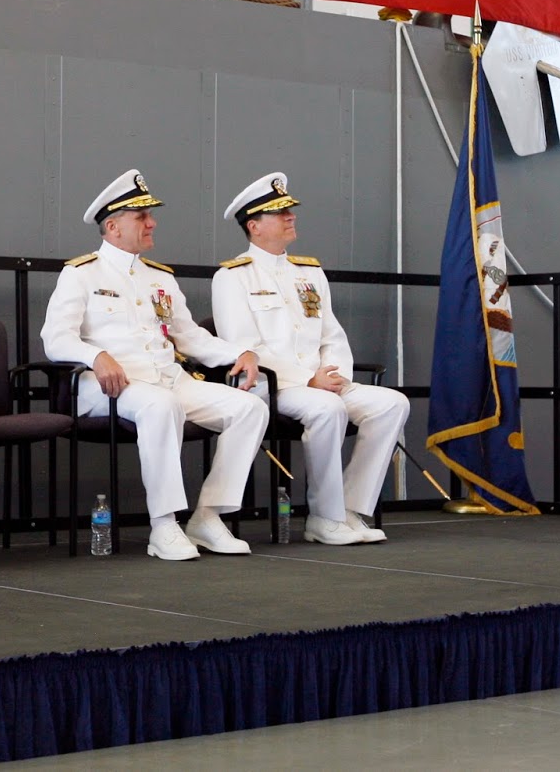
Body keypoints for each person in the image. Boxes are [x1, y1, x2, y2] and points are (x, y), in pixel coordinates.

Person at [42, 169, 269, 560]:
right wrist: (96, 355)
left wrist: (240, 354)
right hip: (110, 386)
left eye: (150, 215)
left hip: (169, 380)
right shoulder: (81, 274)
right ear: (112, 227)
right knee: (161, 405)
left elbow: (190, 338)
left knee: (249, 408)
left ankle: (208, 516)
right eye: (141, 217)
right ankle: (164, 524)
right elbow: (55, 339)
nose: (152, 223)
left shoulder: (159, 278)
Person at [211, 173, 409, 545]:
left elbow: (332, 334)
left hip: (319, 381)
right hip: (272, 386)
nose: (290, 217)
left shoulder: (309, 272)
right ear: (254, 226)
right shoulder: (232, 277)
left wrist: (335, 375)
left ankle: (349, 508)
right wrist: (309, 381)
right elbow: (244, 347)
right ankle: (324, 516)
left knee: (391, 403)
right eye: (279, 213)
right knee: (326, 408)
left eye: (289, 210)